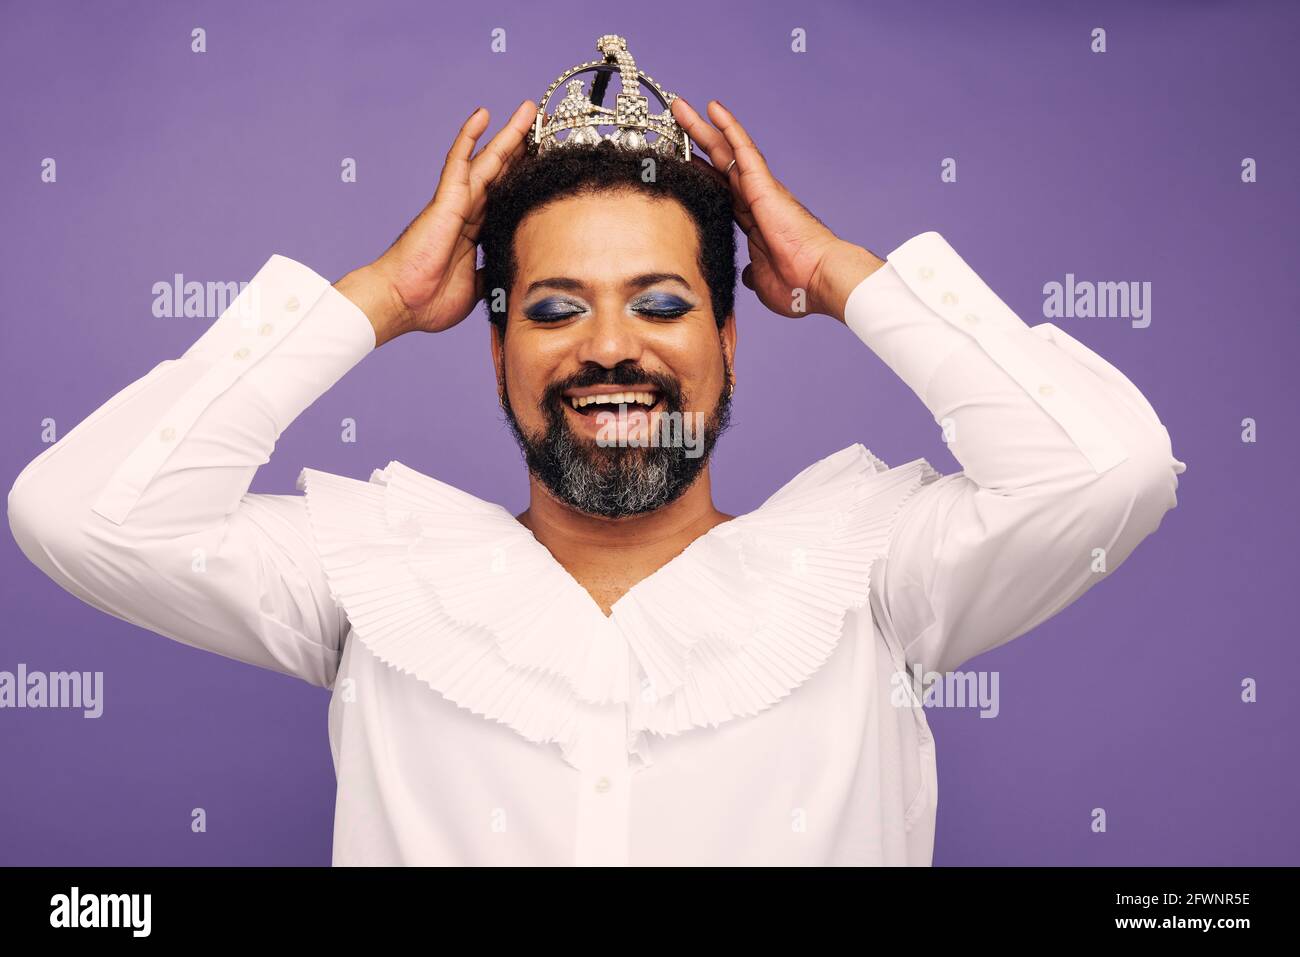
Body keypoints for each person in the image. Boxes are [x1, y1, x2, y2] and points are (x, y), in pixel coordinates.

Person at [7, 37, 1184, 866]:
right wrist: (372, 294)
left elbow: (1107, 467)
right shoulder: (369, 578)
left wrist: (835, 269)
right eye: (557, 308)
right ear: (496, 346)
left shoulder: (875, 581)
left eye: (662, 305)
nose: (609, 349)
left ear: (730, 339)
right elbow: (80, 515)